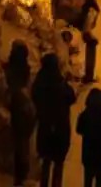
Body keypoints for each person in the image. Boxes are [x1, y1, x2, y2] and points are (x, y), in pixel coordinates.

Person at [31, 53, 77, 187]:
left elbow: (34, 95)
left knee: (46, 161)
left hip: (45, 127)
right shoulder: (60, 83)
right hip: (60, 129)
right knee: (58, 163)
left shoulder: (40, 81)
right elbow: (72, 97)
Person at [5, 41, 35, 186]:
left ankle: (19, 174)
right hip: (23, 110)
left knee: (19, 144)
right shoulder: (25, 69)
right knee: (24, 144)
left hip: (17, 109)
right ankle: (23, 173)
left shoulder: (11, 68)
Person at [76, 88, 101, 187]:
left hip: (88, 156)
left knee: (87, 181)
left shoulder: (84, 117)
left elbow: (79, 130)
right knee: (99, 182)